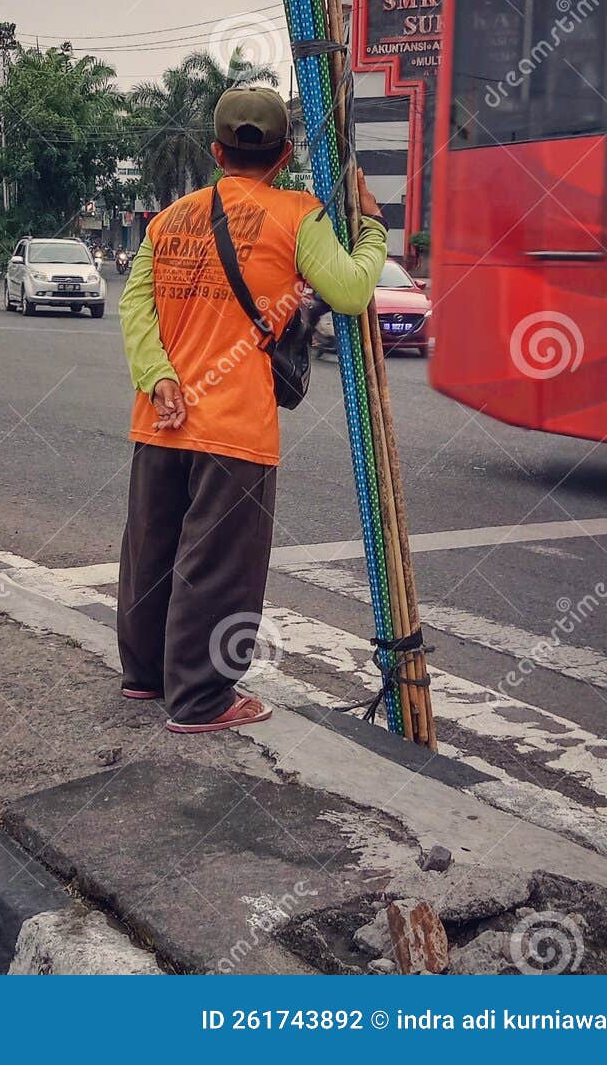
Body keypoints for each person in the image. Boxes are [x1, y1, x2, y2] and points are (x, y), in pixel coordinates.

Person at [118, 86, 388, 734]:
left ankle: (144, 677)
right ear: (284, 153)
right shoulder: (298, 215)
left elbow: (135, 309)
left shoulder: (169, 218)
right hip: (232, 428)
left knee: (150, 551)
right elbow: (349, 292)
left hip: (161, 417)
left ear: (215, 152)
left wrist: (157, 377)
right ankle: (201, 700)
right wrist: (373, 231)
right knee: (216, 569)